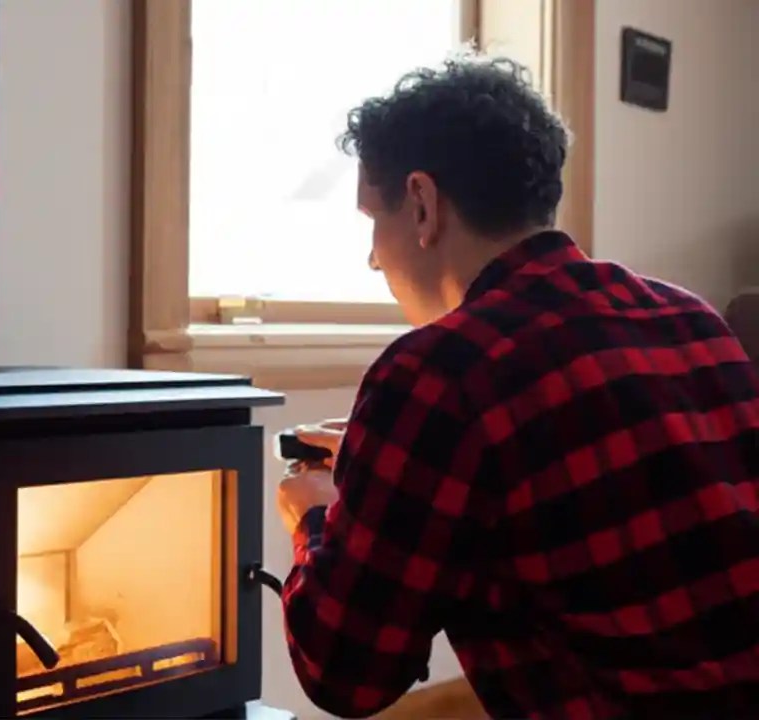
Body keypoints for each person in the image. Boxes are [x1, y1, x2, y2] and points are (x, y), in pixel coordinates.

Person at [277, 54, 759, 719]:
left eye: (372, 220)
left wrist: (318, 512)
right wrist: (375, 472)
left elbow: (343, 673)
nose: (372, 255)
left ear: (421, 202)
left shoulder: (434, 372)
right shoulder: (686, 315)